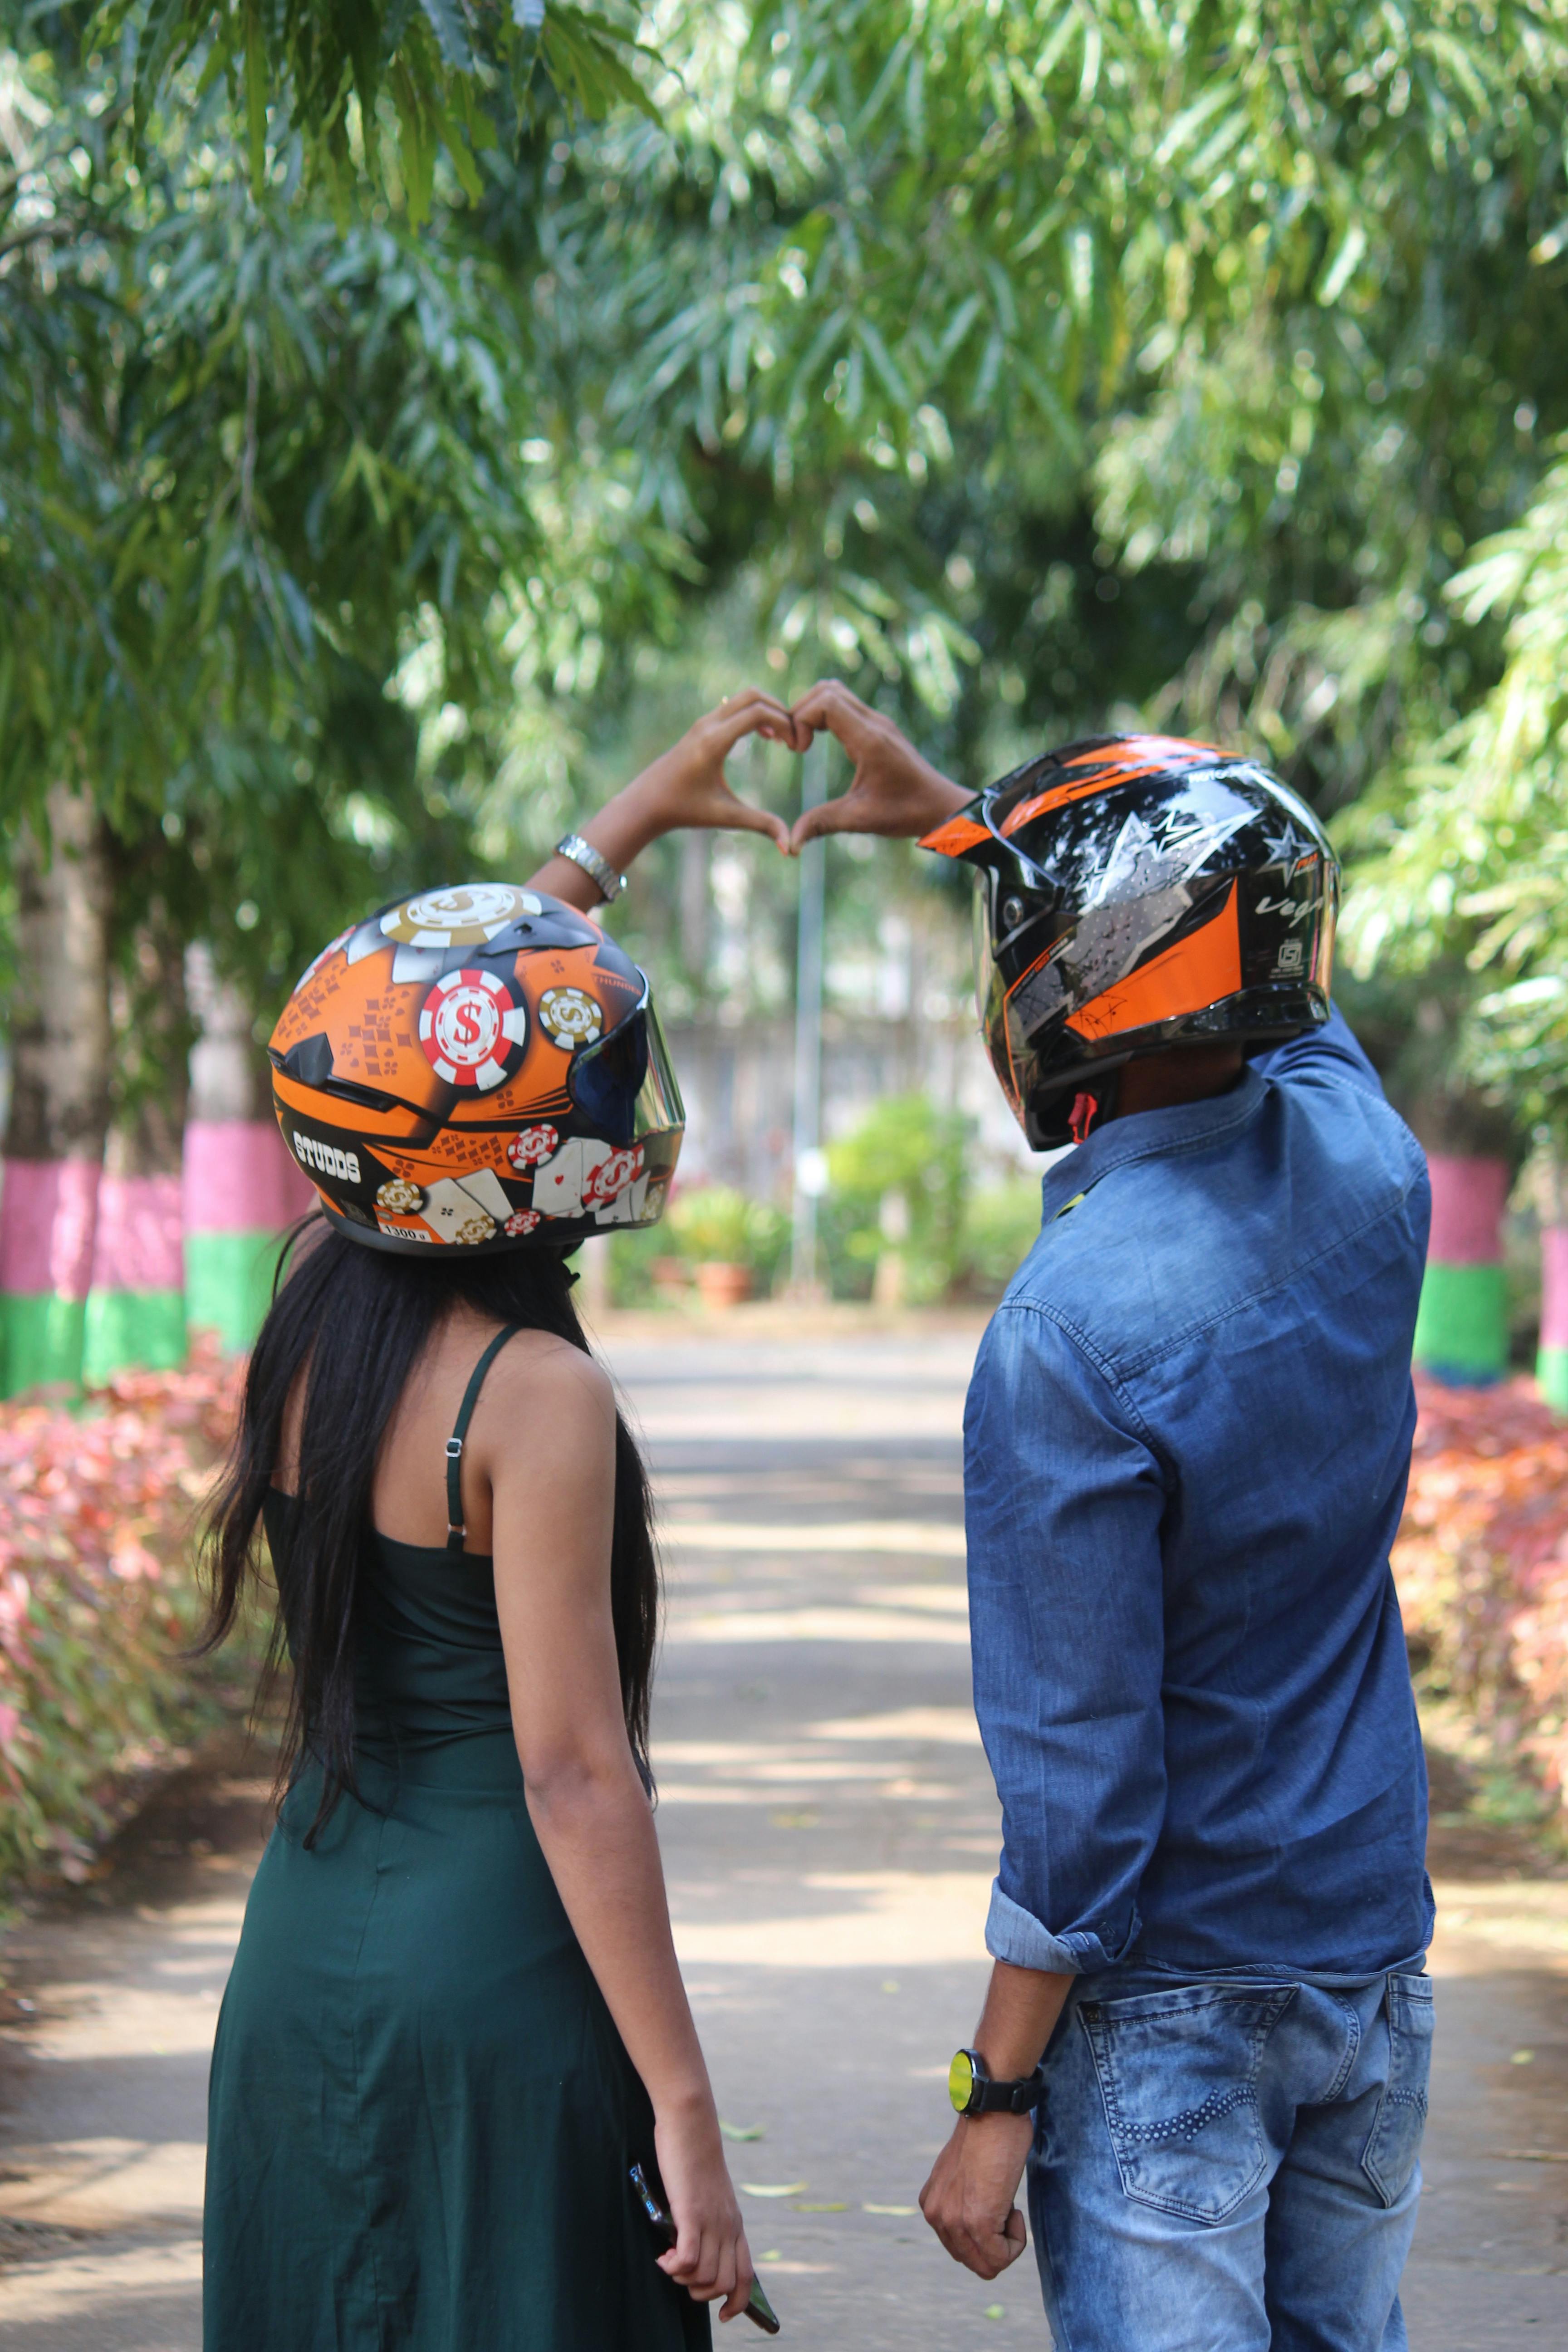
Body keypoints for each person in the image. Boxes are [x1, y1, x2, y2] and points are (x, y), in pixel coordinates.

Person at [779, 685, 1436, 2352]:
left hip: (1174, 2010)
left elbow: (1082, 1790)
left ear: (1065, 990)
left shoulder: (1063, 1336)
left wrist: (996, 2092)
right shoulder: (1374, 1164)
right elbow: (1266, 978)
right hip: (1369, 1959)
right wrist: (979, 823)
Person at [200, 689, 804, 2351]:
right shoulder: (537, 1396)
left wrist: (622, 830)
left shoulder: (317, 1294)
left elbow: (424, 1049)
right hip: (503, 1995)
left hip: (300, 1973)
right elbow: (571, 1768)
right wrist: (685, 2107)